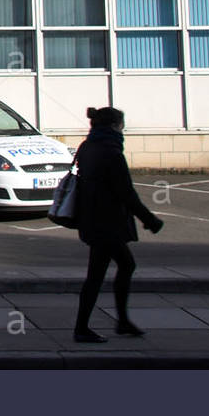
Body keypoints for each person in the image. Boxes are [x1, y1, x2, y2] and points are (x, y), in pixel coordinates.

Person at [73, 106, 164, 342]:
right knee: (117, 268)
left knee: (106, 271)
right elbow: (126, 192)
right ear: (115, 126)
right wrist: (149, 220)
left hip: (92, 219)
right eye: (122, 124)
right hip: (108, 222)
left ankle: (115, 322)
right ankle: (88, 327)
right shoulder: (112, 152)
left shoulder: (87, 147)